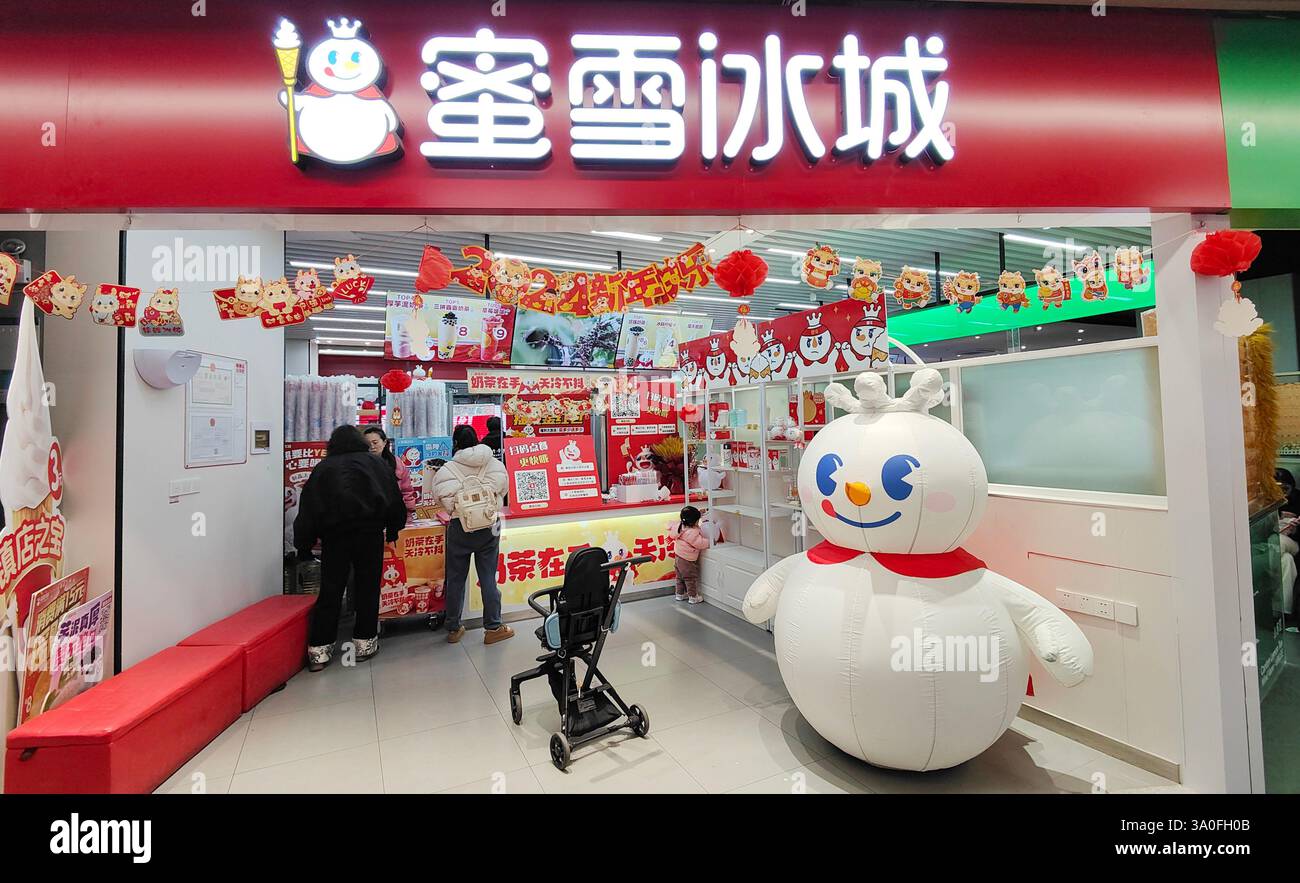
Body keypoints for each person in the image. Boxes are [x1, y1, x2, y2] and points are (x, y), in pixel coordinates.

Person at [294, 425, 407, 671]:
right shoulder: (376, 465)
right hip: (370, 534)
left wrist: (303, 545)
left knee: (331, 590)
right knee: (367, 587)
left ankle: (320, 651)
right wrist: (395, 528)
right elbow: (393, 498)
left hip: (335, 538)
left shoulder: (324, 469)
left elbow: (309, 510)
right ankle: (365, 643)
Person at [432, 425, 514, 644]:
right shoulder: (493, 463)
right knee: (488, 576)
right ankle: (493, 627)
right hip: (489, 525)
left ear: (455, 443)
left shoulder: (447, 469)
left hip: (460, 527)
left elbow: (441, 498)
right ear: (477, 440)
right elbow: (503, 489)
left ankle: (453, 627)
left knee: (456, 578)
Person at [363, 425, 417, 523]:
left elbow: (407, 491)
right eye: (367, 443)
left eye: (375, 442)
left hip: (393, 517)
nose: (372, 446)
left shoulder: (397, 464)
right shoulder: (359, 465)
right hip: (367, 520)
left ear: (384, 442)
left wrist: (408, 515)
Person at [667, 505, 710, 604]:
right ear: (694, 522)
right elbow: (700, 543)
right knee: (690, 578)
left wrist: (701, 512)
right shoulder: (692, 532)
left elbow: (691, 516)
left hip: (678, 557)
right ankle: (693, 597)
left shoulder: (680, 526)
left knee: (679, 577)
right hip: (687, 560)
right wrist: (710, 542)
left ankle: (680, 594)